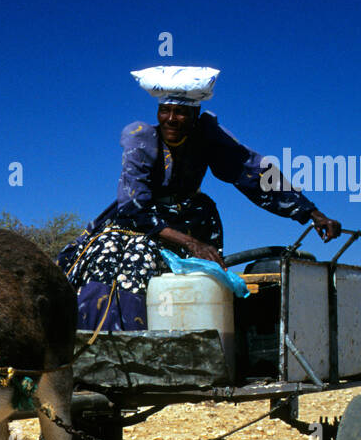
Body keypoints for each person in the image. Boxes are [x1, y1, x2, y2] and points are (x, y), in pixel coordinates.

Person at [57, 66, 342, 331]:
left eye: (180, 112)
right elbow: (133, 206)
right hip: (140, 225)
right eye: (165, 110)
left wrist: (311, 213)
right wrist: (191, 244)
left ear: (195, 115)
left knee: (203, 279)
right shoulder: (141, 140)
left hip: (193, 220)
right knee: (124, 263)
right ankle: (118, 351)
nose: (171, 118)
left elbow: (253, 172)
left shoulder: (206, 138)